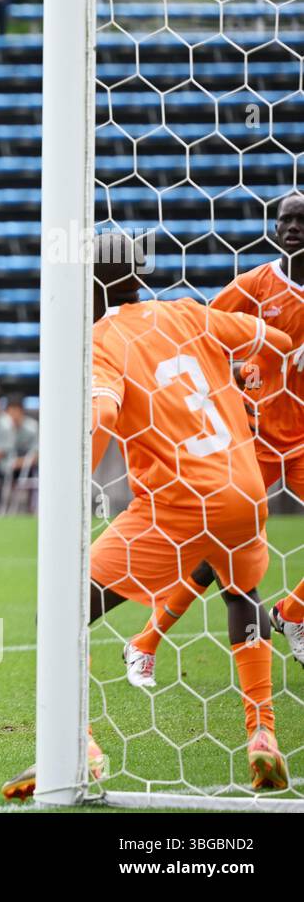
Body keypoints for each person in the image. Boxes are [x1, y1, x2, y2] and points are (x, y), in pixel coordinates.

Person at [1, 234, 293, 800]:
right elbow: (274, 338)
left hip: (178, 503)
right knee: (242, 594)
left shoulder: (101, 340)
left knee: (60, 609)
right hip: (243, 487)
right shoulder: (185, 311)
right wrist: (251, 386)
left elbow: (104, 409)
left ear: (87, 282)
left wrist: (71, 478)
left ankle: (74, 751)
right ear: (135, 277)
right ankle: (262, 735)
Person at [124, 193, 304, 674]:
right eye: (284, 219)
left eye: (300, 220)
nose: (292, 227)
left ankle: (292, 613)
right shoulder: (255, 285)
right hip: (253, 439)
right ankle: (146, 640)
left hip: (303, 440)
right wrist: (239, 367)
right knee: (214, 553)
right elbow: (203, 336)